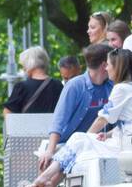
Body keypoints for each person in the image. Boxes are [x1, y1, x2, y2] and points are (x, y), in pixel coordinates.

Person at [15, 49, 132, 187]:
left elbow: (104, 118)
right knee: (67, 148)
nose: (108, 67)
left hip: (128, 145)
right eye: (106, 64)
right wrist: (107, 134)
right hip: (129, 140)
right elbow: (130, 120)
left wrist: (88, 137)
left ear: (116, 67)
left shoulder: (120, 88)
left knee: (79, 140)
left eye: (110, 64)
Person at [41, 41, 117, 178]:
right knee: (49, 161)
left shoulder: (113, 86)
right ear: (104, 66)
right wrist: (50, 150)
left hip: (97, 142)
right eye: (113, 62)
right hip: (69, 142)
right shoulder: (75, 86)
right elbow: (59, 120)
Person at [3, 45, 63, 116]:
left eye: (23, 65)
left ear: (29, 64)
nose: (24, 69)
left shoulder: (21, 87)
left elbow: (8, 113)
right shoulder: (58, 85)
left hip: (27, 127)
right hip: (52, 126)